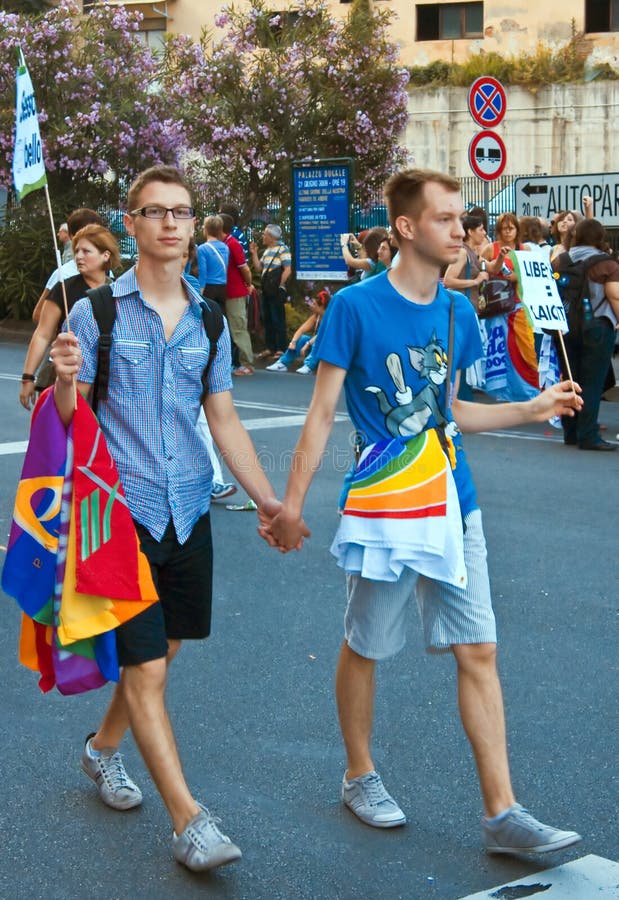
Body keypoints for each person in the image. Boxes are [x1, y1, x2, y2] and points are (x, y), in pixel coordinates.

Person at [263, 168, 583, 856]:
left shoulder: (456, 312)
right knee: (367, 644)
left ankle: (501, 812)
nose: (460, 231)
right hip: (384, 500)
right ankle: (359, 773)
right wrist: (289, 505)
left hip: (451, 501)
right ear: (406, 228)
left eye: (461, 218)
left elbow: (453, 411)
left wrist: (531, 408)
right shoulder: (353, 307)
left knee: (479, 649)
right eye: (444, 219)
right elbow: (320, 414)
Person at [50, 165, 282, 872]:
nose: (173, 223)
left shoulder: (209, 317)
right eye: (157, 212)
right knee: (146, 666)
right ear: (132, 223)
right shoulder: (96, 314)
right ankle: (190, 823)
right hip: (117, 512)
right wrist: (63, 380)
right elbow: (72, 419)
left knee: (168, 649)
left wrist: (268, 499)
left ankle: (101, 750)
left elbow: (223, 417)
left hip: (189, 509)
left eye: (183, 212)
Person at [20, 224, 120, 410]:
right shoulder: (63, 289)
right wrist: (28, 377)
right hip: (61, 376)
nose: (79, 256)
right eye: (77, 251)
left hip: (104, 383)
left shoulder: (117, 291)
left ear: (105, 255)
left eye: (86, 251)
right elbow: (42, 334)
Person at [553, 218, 619, 451]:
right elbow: (615, 296)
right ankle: (588, 434)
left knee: (570, 380)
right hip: (597, 328)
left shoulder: (560, 260)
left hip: (564, 327)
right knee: (591, 382)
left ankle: (570, 431)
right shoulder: (607, 264)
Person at [32, 208, 106, 324]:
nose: (95, 238)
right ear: (72, 236)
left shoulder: (108, 274)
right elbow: (38, 315)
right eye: (88, 233)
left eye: (98, 233)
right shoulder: (63, 274)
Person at [220, 212, 255, 375]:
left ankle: (247, 363)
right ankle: (238, 362)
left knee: (238, 327)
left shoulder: (232, 244)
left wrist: (248, 284)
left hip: (235, 293)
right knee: (234, 327)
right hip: (229, 292)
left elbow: (244, 267)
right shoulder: (226, 242)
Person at [250, 224, 291, 360]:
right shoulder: (267, 251)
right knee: (267, 318)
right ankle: (270, 347)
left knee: (277, 318)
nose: (263, 236)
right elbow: (258, 268)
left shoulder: (282, 249)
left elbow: (287, 269)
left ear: (271, 237)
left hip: (276, 290)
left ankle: (280, 348)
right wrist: (254, 253)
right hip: (266, 289)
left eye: (265, 234)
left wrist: (280, 285)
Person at [266, 289, 330, 373]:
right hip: (316, 347)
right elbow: (301, 329)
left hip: (328, 350)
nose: (311, 305)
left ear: (321, 306)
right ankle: (282, 363)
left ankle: (309, 366)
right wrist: (293, 342)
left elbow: (321, 335)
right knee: (303, 338)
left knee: (318, 341)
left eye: (314, 304)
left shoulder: (330, 317)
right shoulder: (316, 316)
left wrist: (307, 344)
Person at [443, 214, 489, 313]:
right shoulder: (462, 252)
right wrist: (476, 281)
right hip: (460, 309)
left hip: (469, 308)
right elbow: (448, 281)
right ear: (470, 232)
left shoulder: (474, 253)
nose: (484, 233)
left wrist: (501, 256)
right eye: (481, 229)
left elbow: (492, 267)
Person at [196, 215, 229, 306]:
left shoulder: (202, 249)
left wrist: (200, 292)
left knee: (208, 316)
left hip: (209, 287)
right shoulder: (225, 247)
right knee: (221, 316)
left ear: (206, 229)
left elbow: (203, 272)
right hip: (222, 286)